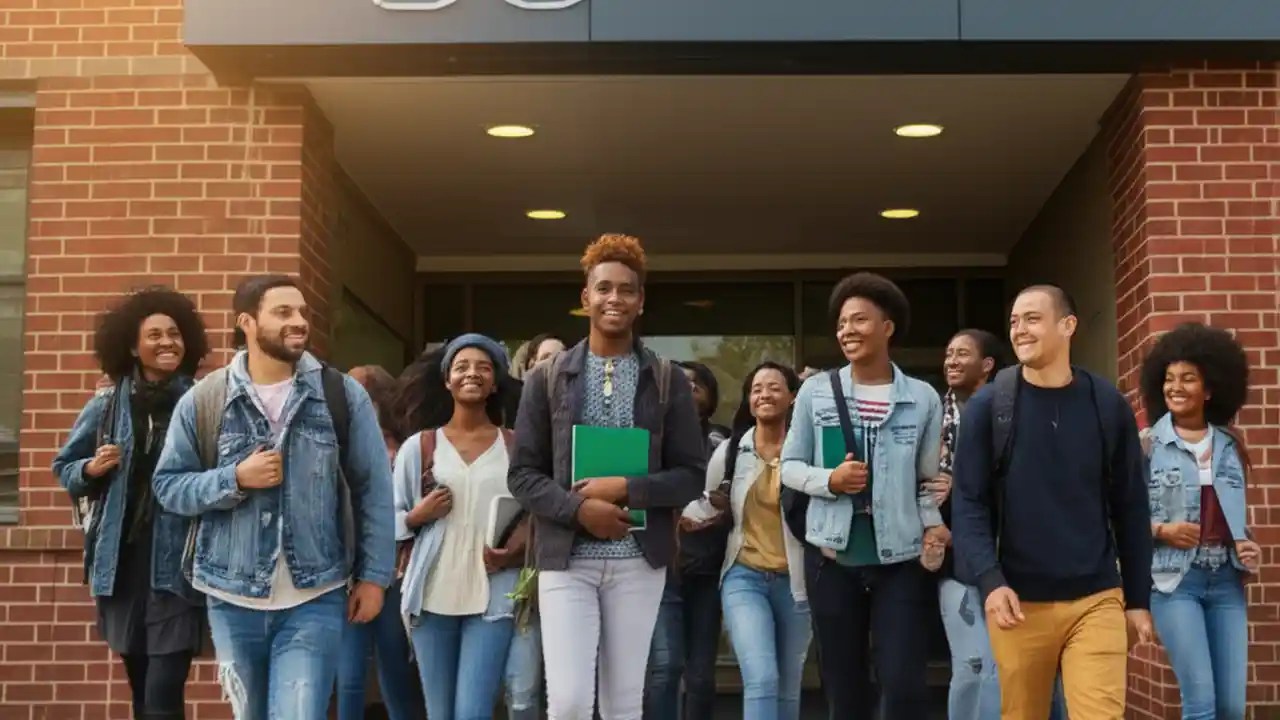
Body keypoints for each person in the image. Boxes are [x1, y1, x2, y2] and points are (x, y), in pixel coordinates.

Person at [152, 275, 395, 720]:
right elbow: (169, 486)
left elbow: (373, 489)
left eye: (302, 312)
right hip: (230, 595)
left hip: (316, 593)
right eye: (283, 312)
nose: (299, 321)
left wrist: (375, 576)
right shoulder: (205, 399)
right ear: (247, 322)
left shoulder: (340, 395)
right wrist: (235, 479)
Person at [508, 233, 706, 720]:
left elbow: (691, 476)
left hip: (639, 559)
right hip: (565, 557)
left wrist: (625, 489)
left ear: (640, 301)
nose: (614, 298)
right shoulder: (547, 377)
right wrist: (580, 510)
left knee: (622, 704)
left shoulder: (666, 380)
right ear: (585, 298)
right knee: (571, 702)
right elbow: (523, 475)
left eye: (626, 290)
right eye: (603, 288)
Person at [951, 284, 1155, 720]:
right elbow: (968, 504)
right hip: (1018, 604)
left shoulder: (1107, 405)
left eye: (1032, 319)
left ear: (1068, 326)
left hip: (1096, 597)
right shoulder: (988, 408)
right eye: (1013, 321)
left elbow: (1131, 506)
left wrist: (1137, 598)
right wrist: (990, 581)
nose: (1019, 330)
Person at [780, 272, 946, 720]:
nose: (847, 331)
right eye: (841, 323)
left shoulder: (923, 397)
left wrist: (935, 525)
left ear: (887, 327)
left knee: (904, 682)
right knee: (844, 686)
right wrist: (830, 480)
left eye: (859, 320)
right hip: (832, 559)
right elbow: (789, 467)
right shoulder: (816, 393)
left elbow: (926, 481)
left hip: (901, 561)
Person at [53, 287, 210, 720]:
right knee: (140, 690)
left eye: (175, 334)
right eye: (155, 334)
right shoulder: (105, 405)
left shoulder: (201, 403)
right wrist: (91, 469)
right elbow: (65, 466)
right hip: (122, 564)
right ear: (132, 346)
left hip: (178, 564)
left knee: (163, 692)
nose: (167, 343)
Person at [394, 333, 525, 720]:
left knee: (473, 712)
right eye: (462, 366)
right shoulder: (420, 447)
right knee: (439, 713)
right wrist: (415, 517)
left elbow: (536, 513)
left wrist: (517, 548)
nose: (473, 373)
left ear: (496, 382)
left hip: (493, 595)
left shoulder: (516, 446)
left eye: (484, 367)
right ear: (447, 379)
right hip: (431, 594)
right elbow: (386, 518)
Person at [1140, 322, 1260, 720]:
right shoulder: (1146, 446)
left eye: (1188, 379)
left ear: (1210, 390)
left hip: (1226, 579)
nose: (1175, 386)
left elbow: (1233, 516)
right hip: (1176, 583)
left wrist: (1245, 542)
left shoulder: (1229, 446)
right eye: (1169, 378)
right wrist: (1162, 530)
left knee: (1231, 707)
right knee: (1201, 703)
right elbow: (1118, 515)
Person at [701, 362, 810, 720]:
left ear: (793, 396)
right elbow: (709, 499)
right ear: (749, 400)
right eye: (757, 389)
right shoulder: (731, 451)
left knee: (788, 687)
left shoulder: (808, 451)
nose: (765, 394)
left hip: (797, 582)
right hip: (743, 575)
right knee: (762, 678)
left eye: (775, 387)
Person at [335, 366, 421, 720]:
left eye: (366, 399)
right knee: (350, 675)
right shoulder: (337, 446)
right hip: (346, 573)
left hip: (394, 571)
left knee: (395, 667)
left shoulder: (408, 450)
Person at [934, 329, 1003, 720]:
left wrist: (962, 480)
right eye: (948, 354)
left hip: (1008, 559)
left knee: (1005, 668)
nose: (952, 361)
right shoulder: (933, 418)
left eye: (962, 353)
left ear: (987, 365)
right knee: (974, 664)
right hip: (954, 563)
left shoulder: (1009, 415)